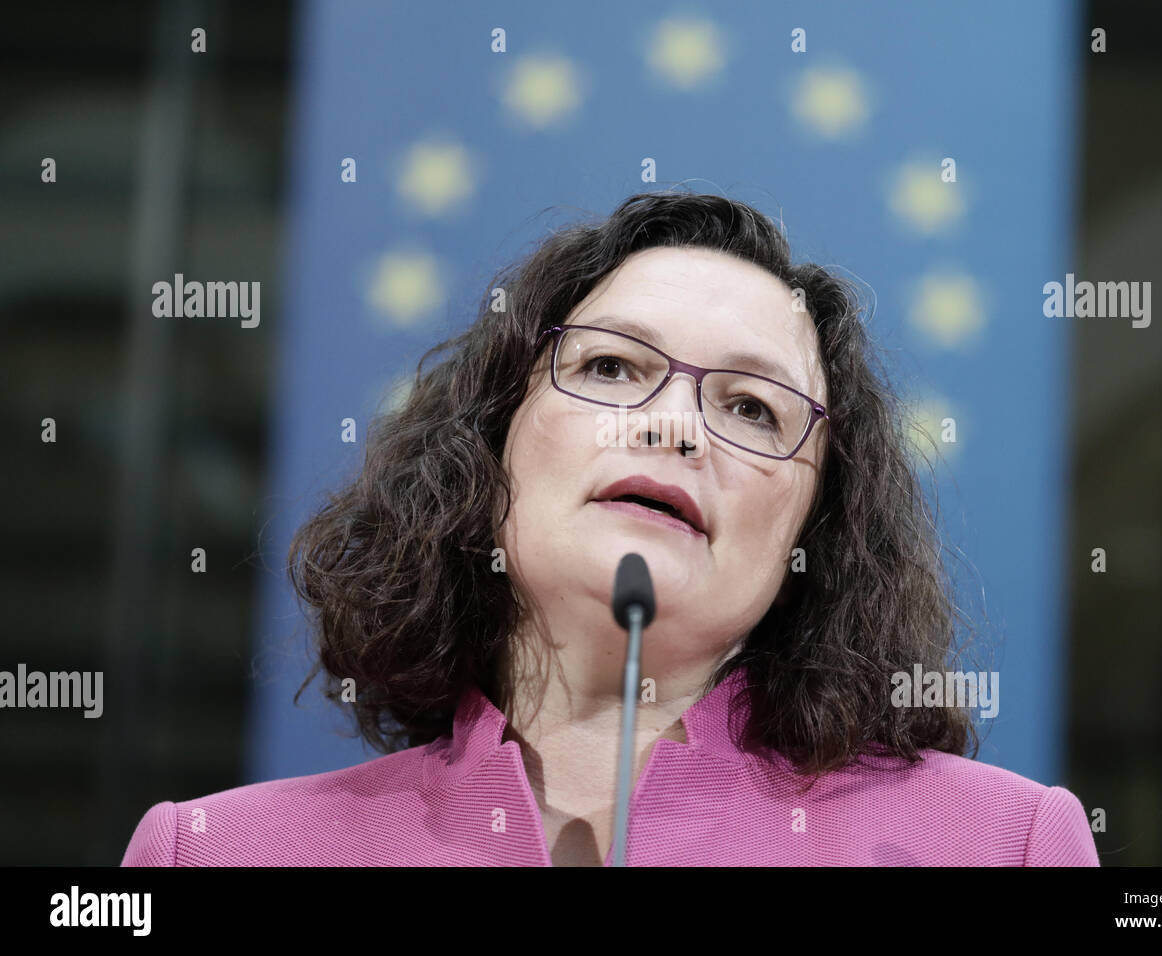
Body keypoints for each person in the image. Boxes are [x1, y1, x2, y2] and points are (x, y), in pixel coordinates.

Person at [121, 191, 1099, 866]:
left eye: (753, 408)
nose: (673, 425)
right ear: (492, 442)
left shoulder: (998, 842)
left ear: (818, 526)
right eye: (611, 367)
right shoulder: (208, 851)